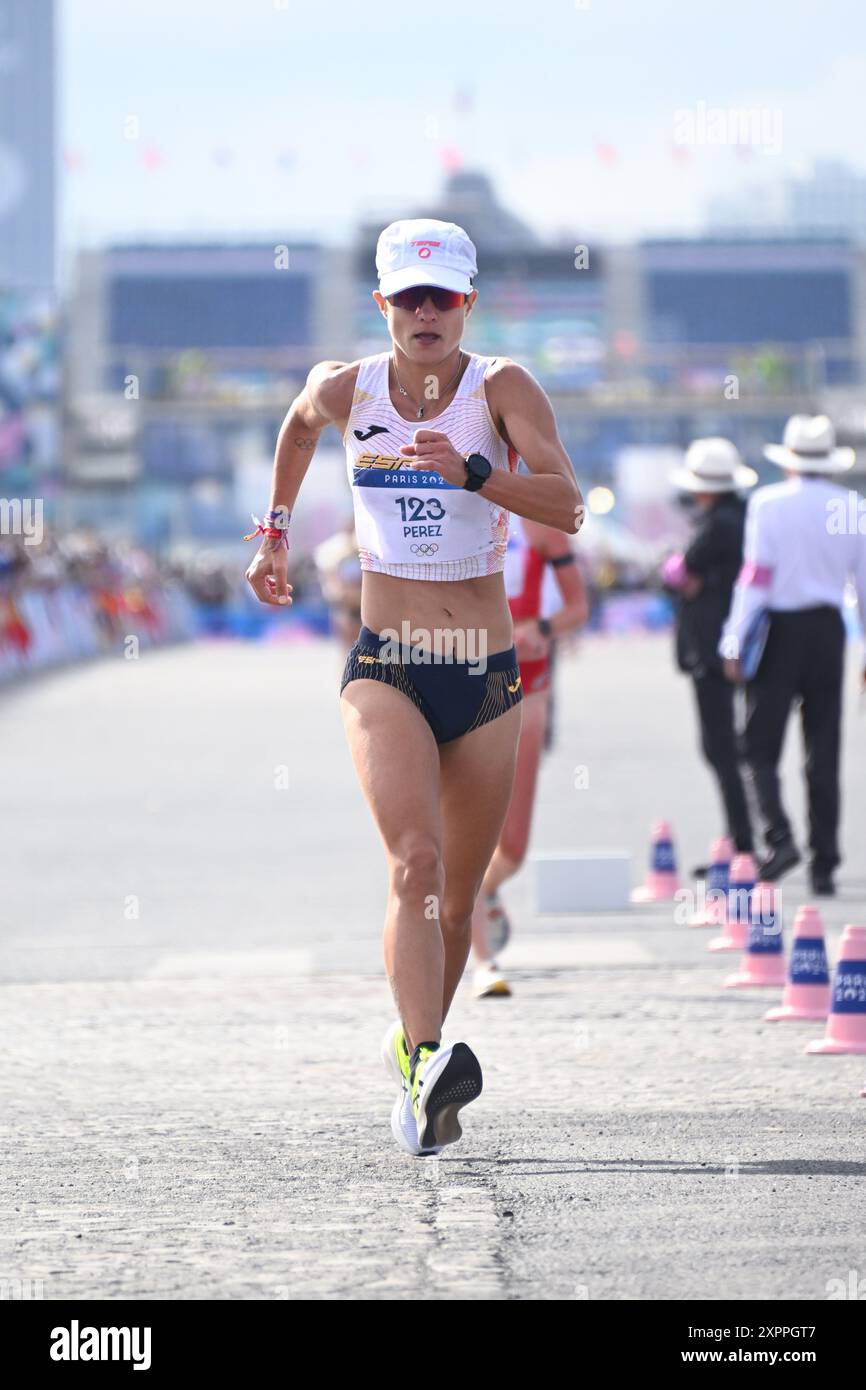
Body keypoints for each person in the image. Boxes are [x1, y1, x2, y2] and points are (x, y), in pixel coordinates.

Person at [245, 218, 584, 1154]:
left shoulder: (500, 389)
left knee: (460, 903)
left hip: (482, 673)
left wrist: (478, 474)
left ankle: (414, 1072)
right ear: (382, 304)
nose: (425, 312)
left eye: (443, 296)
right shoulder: (346, 387)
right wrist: (274, 530)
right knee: (415, 867)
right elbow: (296, 424)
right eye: (408, 296)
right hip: (388, 662)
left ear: (468, 302)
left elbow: (571, 505)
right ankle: (431, 1055)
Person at [720, 414, 866, 895]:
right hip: (828, 631)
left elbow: (756, 578)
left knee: (757, 747)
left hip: (779, 630)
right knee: (823, 750)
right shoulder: (851, 506)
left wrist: (734, 639)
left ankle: (779, 835)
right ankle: (825, 862)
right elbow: (862, 588)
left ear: (789, 460)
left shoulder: (769, 503)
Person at [470, 512, 588, 997]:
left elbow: (578, 608)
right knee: (465, 834)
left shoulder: (540, 524)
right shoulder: (454, 503)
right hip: (463, 672)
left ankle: (486, 889)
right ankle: (484, 962)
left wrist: (542, 627)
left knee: (513, 847)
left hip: (528, 684)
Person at [663, 438, 758, 868]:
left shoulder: (718, 525)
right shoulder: (742, 518)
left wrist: (679, 568)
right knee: (734, 748)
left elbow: (676, 573)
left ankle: (743, 844)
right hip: (742, 644)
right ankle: (744, 836)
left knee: (720, 748)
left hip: (713, 649)